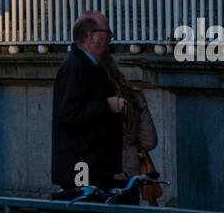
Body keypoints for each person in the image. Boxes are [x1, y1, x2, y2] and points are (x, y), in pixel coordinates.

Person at [51, 10, 123, 193]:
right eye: (107, 31)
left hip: (94, 165)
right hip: (81, 166)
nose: (112, 35)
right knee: (85, 210)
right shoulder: (74, 66)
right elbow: (67, 112)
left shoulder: (91, 65)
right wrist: (108, 105)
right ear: (91, 37)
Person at [101, 52, 158, 198]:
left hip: (97, 171)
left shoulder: (90, 100)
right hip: (129, 172)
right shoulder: (134, 97)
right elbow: (149, 141)